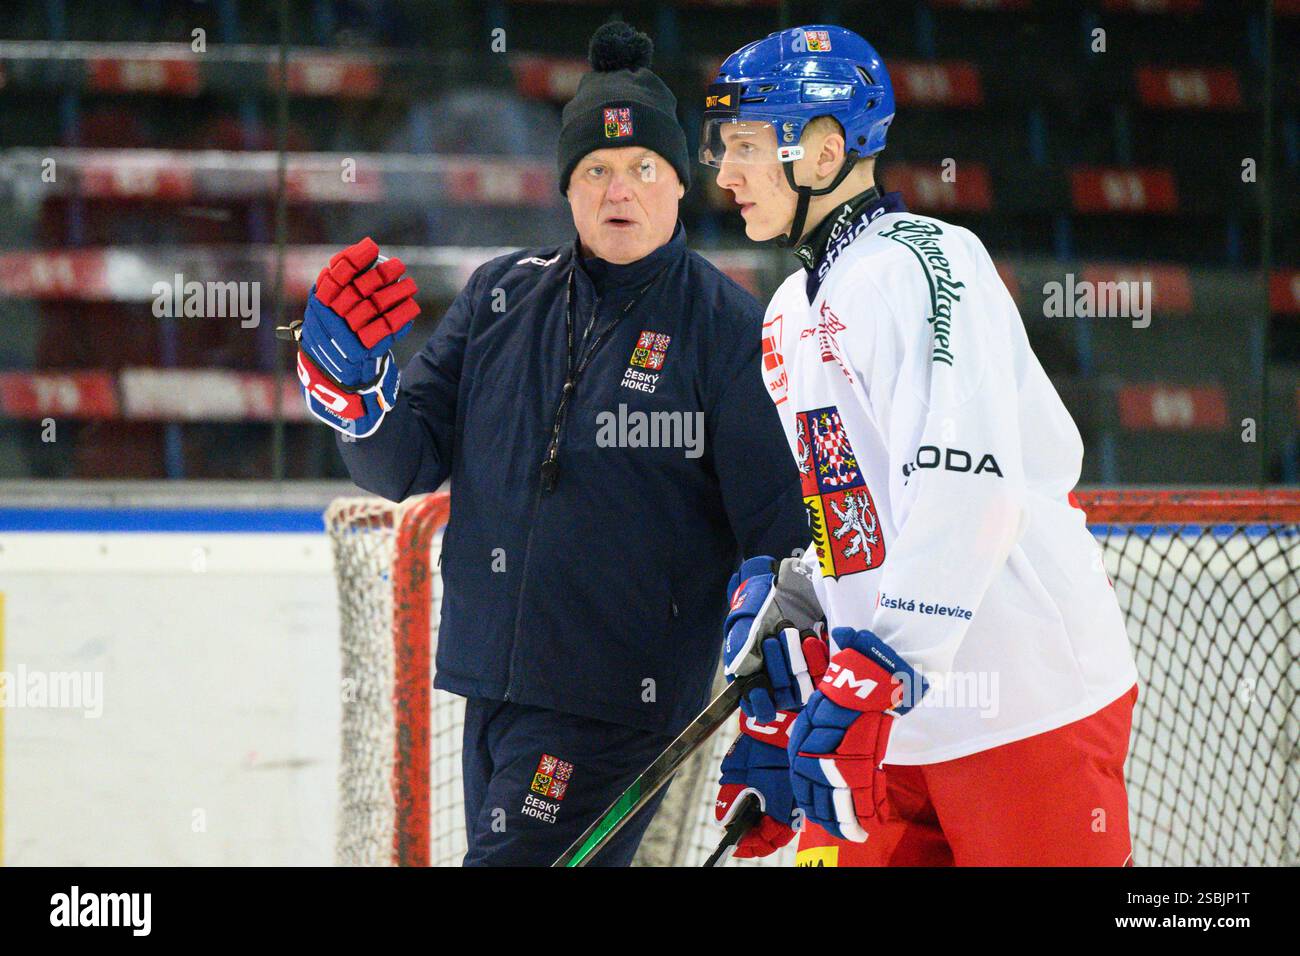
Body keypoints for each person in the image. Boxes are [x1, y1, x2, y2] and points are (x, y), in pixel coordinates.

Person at [292, 21, 807, 866]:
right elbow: (400, 465)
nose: (620, 190)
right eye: (596, 170)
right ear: (566, 189)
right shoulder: (502, 297)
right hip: (490, 690)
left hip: (614, 711)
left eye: (645, 168)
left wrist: (778, 706)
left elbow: (780, 537)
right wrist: (351, 398)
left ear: (680, 185)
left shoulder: (728, 332)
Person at [702, 25, 1140, 866]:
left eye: (747, 145)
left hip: (1023, 703)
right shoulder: (789, 311)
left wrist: (876, 667)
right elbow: (855, 518)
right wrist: (799, 623)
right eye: (723, 147)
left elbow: (967, 487)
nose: (724, 173)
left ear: (823, 151)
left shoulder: (928, 260)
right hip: (888, 724)